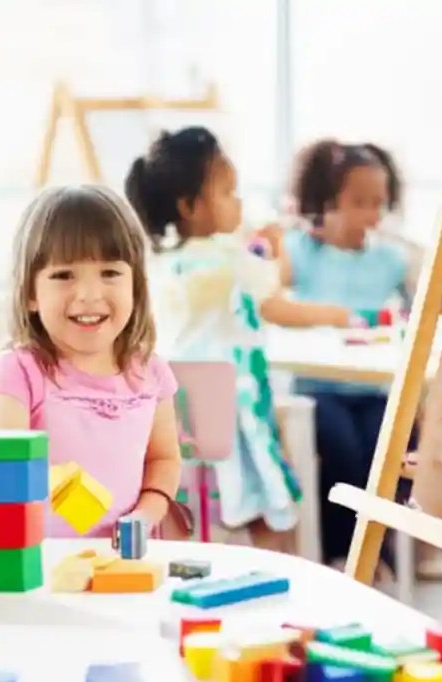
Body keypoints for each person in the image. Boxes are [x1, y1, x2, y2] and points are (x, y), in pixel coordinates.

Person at [126, 127, 357, 552]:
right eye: (229, 192)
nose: (240, 201)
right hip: (231, 408)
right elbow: (276, 304)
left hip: (179, 412)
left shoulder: (160, 262)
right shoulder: (226, 258)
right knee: (271, 488)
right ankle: (281, 559)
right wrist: (277, 248)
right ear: (190, 206)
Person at [283, 138, 442, 578]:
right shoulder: (301, 251)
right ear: (327, 200)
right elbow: (266, 294)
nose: (371, 215)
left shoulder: (391, 260)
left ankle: (380, 546)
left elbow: (421, 311)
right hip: (319, 387)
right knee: (342, 450)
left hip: (375, 386)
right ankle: (345, 550)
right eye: (358, 202)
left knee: (392, 446)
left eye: (379, 203)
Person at [0, 184, 185, 539]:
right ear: (30, 292)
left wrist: (145, 515)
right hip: (39, 570)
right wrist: (74, 501)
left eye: (110, 273)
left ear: (136, 287)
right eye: (64, 275)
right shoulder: (18, 371)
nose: (89, 295)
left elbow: (163, 460)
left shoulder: (151, 374)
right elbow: (2, 463)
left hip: (123, 569)